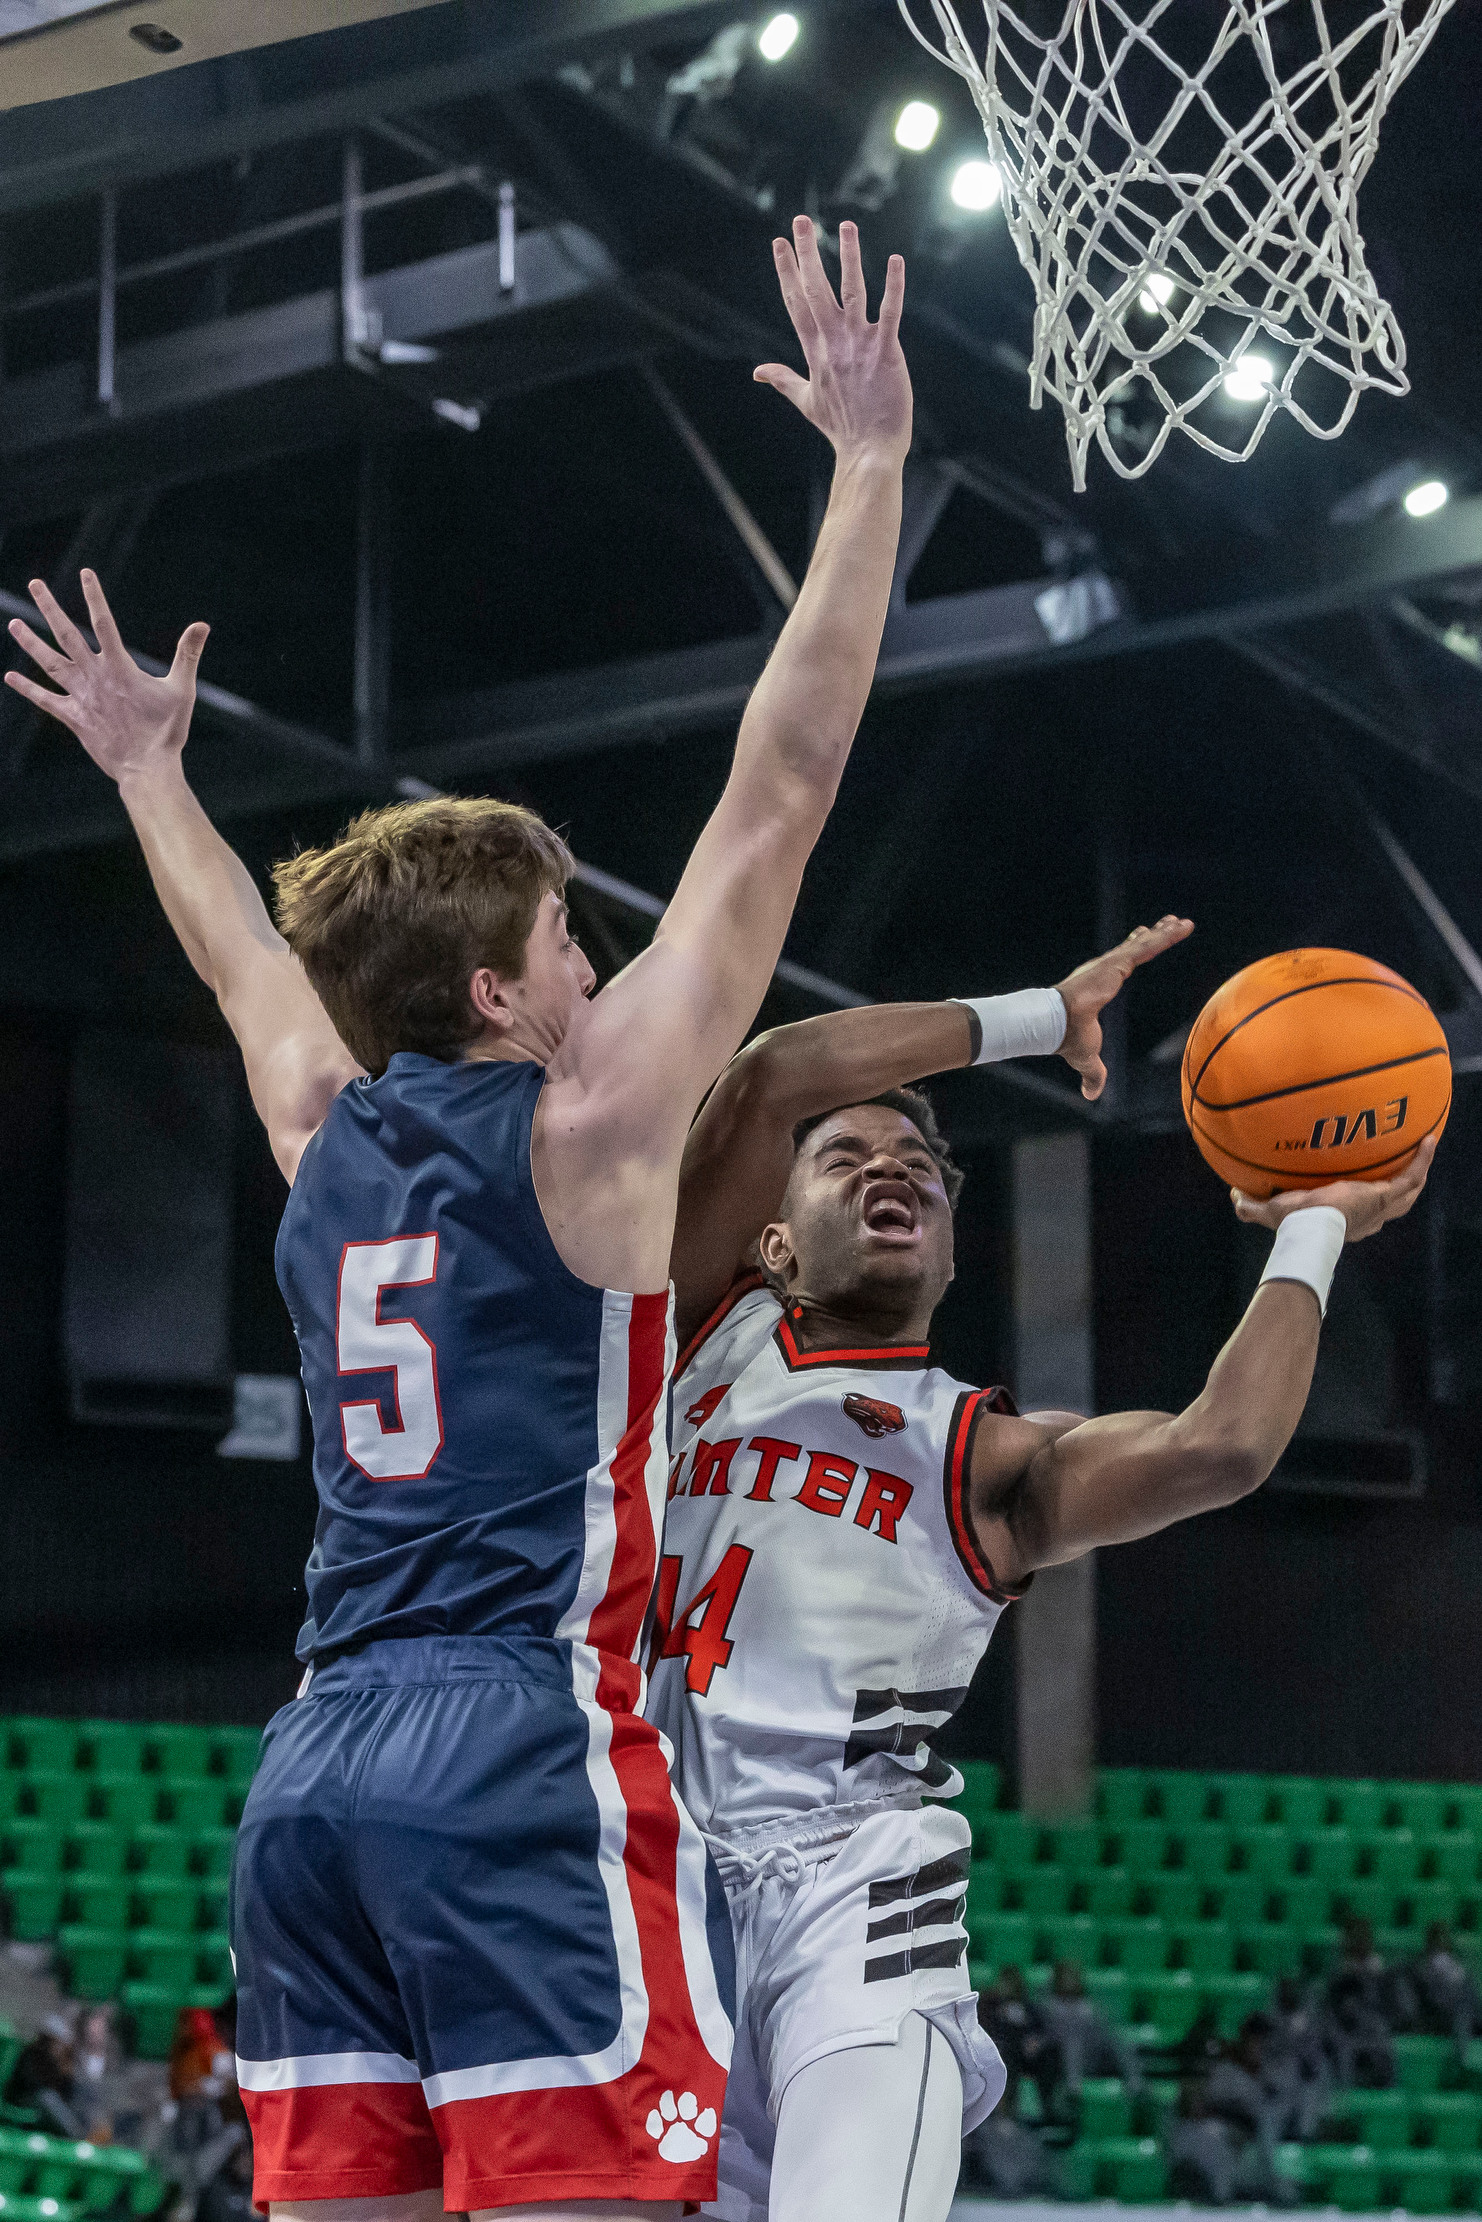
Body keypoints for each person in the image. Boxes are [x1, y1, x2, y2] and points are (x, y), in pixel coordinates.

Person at [6, 213, 913, 2222]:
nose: (598, 961)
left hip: (316, 1774)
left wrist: (147, 768)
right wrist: (866, 477)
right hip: (518, 1754)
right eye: (570, 937)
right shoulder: (585, 1131)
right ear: (501, 992)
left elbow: (245, 954)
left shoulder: (322, 1121)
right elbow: (783, 786)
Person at [644, 972, 1435, 2222]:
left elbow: (1220, 1444)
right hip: (639, 1880)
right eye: (846, 1155)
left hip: (853, 1892)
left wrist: (1315, 1223)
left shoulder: (985, 1456)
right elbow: (769, 1073)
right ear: (772, 1238)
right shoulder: (695, 1333)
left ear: (954, 1249)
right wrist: (1033, 1015)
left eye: (916, 1160)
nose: (889, 1167)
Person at [1396, 1922, 1482, 2047]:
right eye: (1437, 1938)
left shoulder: (1459, 1966)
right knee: (1462, 2016)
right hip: (1438, 2017)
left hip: (1467, 2012)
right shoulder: (1419, 1967)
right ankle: (1462, 2061)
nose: (1440, 1942)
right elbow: (1430, 2000)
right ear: (1429, 1941)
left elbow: (1471, 1996)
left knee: (1466, 2009)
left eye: (1444, 1938)